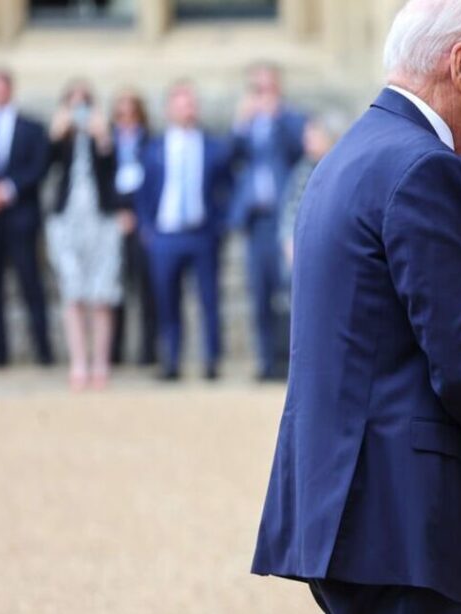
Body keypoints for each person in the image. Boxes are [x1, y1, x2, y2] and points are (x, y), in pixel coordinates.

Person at [251, 2, 461, 614]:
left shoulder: (354, 153)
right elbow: (459, 365)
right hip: (399, 516)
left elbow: (377, 342)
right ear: (460, 64)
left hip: (352, 506)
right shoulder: (425, 167)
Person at [135, 81, 232, 381]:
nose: (188, 109)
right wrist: (147, 228)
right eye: (181, 103)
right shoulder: (153, 149)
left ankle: (211, 360)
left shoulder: (213, 147)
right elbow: (144, 191)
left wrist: (220, 225)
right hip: (165, 235)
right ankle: (171, 360)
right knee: (167, 300)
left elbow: (226, 187)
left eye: (191, 103)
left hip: (202, 234)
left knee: (208, 299)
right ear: (169, 109)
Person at [230, 62, 306, 381]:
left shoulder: (291, 120)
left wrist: (277, 116)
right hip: (256, 220)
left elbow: (300, 149)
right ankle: (264, 361)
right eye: (256, 89)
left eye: (267, 88)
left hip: (285, 220)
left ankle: (289, 362)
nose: (262, 95)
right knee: (260, 293)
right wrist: (240, 124)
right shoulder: (247, 126)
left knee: (288, 292)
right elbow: (228, 158)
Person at [45, 79, 122, 390]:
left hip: (101, 219)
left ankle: (100, 362)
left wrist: (103, 137)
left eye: (84, 103)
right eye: (72, 104)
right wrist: (55, 136)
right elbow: (42, 170)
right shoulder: (58, 140)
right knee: (73, 293)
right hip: (67, 220)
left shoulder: (104, 134)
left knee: (102, 295)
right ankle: (78, 362)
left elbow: (117, 172)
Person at [0, 68, 53, 368]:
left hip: (19, 216)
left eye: (0, 87)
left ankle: (44, 350)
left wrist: (6, 190)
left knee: (30, 282)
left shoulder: (31, 127)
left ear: (10, 89)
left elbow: (38, 167)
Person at [109, 89, 157, 367]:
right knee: (115, 290)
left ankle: (148, 351)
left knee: (145, 289)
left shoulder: (149, 143)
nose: (126, 119)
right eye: (120, 114)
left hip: (141, 223)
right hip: (114, 221)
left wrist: (141, 216)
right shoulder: (107, 143)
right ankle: (115, 351)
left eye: (131, 113)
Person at [279, 112, 347, 272]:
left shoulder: (343, 168)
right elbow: (290, 213)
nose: (305, 139)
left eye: (312, 134)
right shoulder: (303, 170)